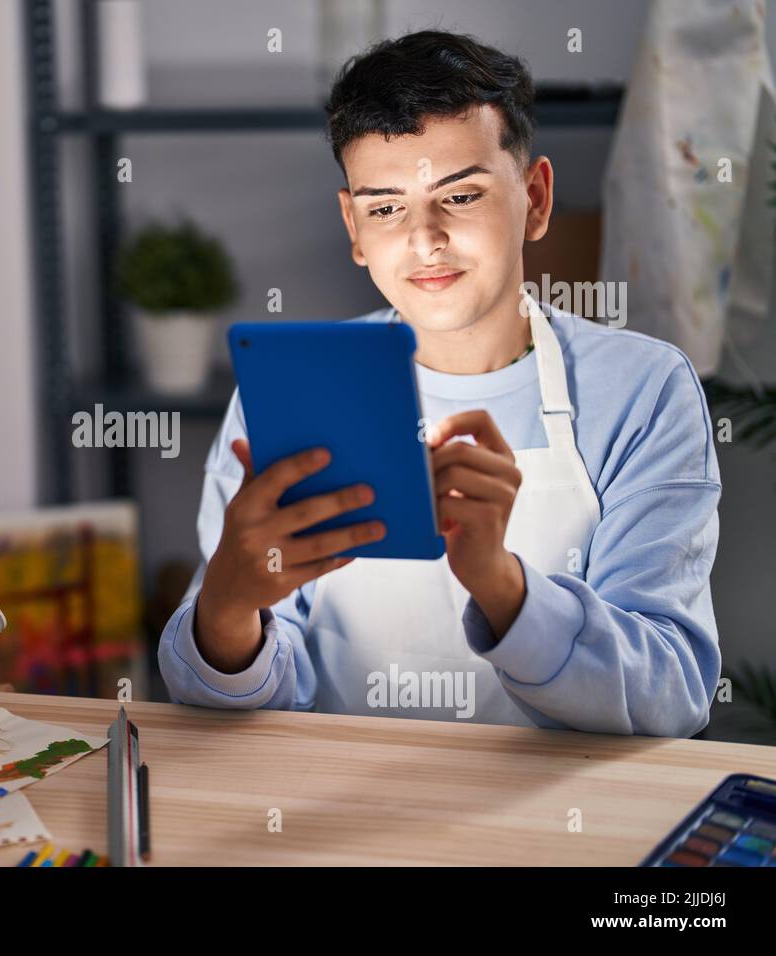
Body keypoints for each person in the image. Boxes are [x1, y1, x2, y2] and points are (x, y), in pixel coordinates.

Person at [158, 31, 721, 736]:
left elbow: (673, 695)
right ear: (354, 228)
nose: (424, 240)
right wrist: (228, 608)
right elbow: (239, 696)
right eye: (386, 206)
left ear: (536, 198)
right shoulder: (291, 392)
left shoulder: (641, 391)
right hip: (347, 812)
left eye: (460, 195)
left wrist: (501, 584)